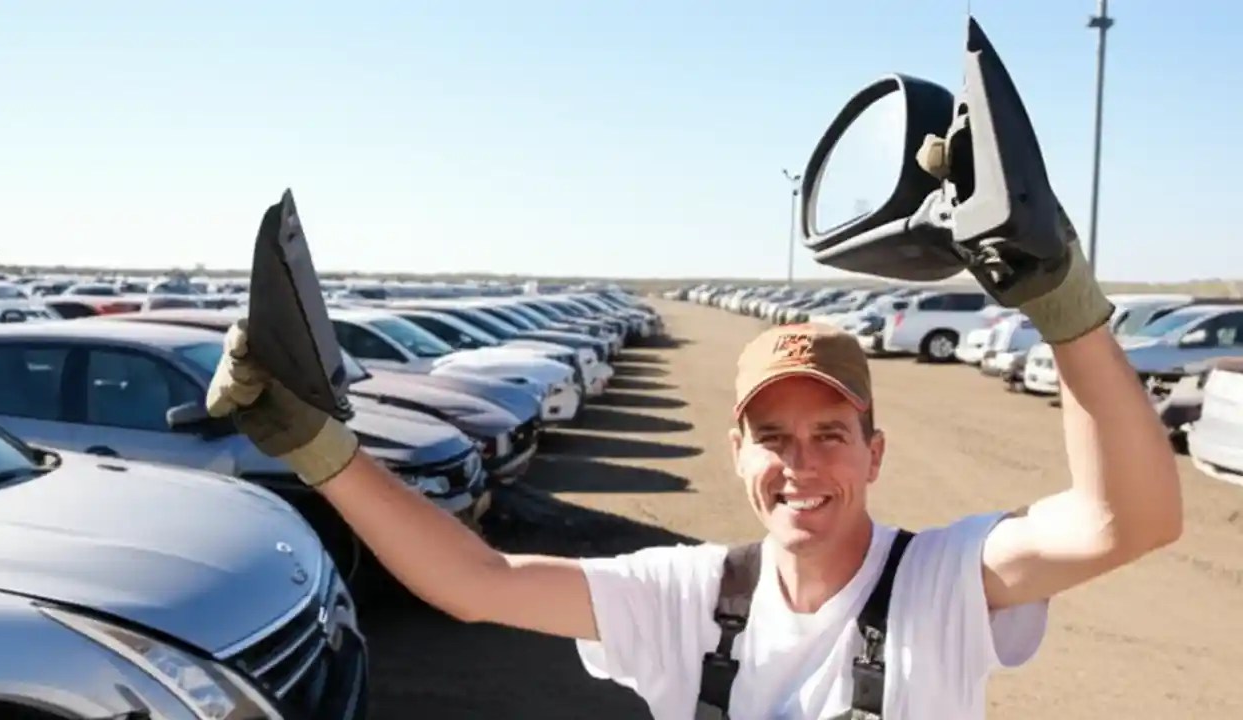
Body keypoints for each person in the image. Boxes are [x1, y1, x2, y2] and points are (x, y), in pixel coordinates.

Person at [206, 225, 1182, 718]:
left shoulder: (942, 580)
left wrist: (1065, 309)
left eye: (829, 434)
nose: (800, 464)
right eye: (772, 437)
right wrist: (317, 450)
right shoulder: (692, 595)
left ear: (873, 453)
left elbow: (1122, 521)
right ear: (736, 455)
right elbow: (475, 584)